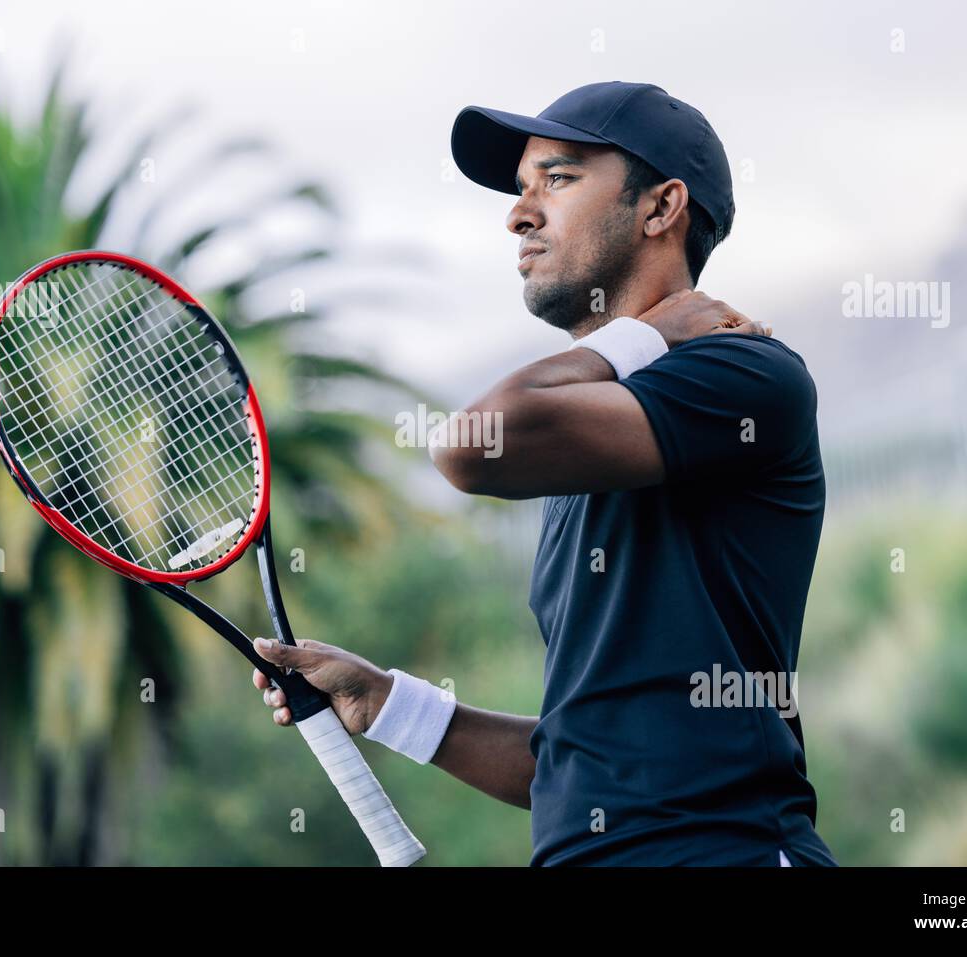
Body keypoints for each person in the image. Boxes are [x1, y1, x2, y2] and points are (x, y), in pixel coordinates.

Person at [251, 81, 837, 867]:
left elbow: (468, 444)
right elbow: (576, 763)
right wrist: (383, 699)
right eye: (522, 189)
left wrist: (647, 331)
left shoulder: (743, 373)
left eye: (556, 180)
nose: (519, 214)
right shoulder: (582, 446)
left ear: (661, 207)